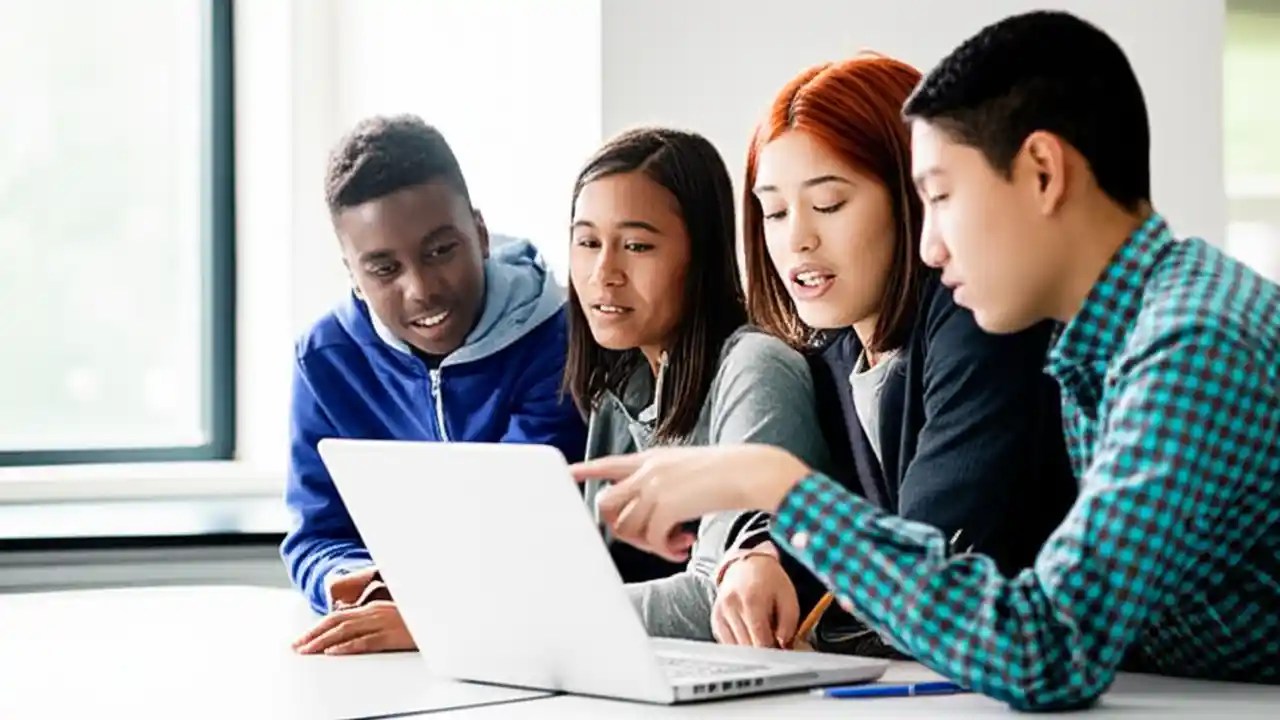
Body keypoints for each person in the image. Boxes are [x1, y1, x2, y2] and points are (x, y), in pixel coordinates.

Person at [569, 10, 1280, 711]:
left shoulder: (1189, 343)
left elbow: (1047, 648)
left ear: (1041, 172)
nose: (930, 246)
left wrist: (778, 481)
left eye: (939, 197)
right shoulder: (1095, 339)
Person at [709, 54, 1076, 654]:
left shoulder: (983, 317)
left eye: (827, 204)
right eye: (773, 211)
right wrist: (760, 553)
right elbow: (832, 516)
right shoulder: (837, 347)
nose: (797, 238)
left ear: (915, 197)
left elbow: (924, 560)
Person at [285, 115, 586, 655]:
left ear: (480, 232)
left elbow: (525, 525)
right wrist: (346, 579)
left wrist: (424, 609)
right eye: (383, 269)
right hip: (391, 654)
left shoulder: (559, 339)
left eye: (440, 251)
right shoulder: (324, 359)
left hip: (526, 644)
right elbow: (316, 533)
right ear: (352, 273)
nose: (421, 288)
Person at [566, 126, 830, 643]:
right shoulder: (620, 387)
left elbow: (722, 601)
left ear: (701, 255)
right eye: (588, 242)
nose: (604, 272)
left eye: (637, 245)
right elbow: (591, 578)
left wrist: (497, 621)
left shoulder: (756, 366)